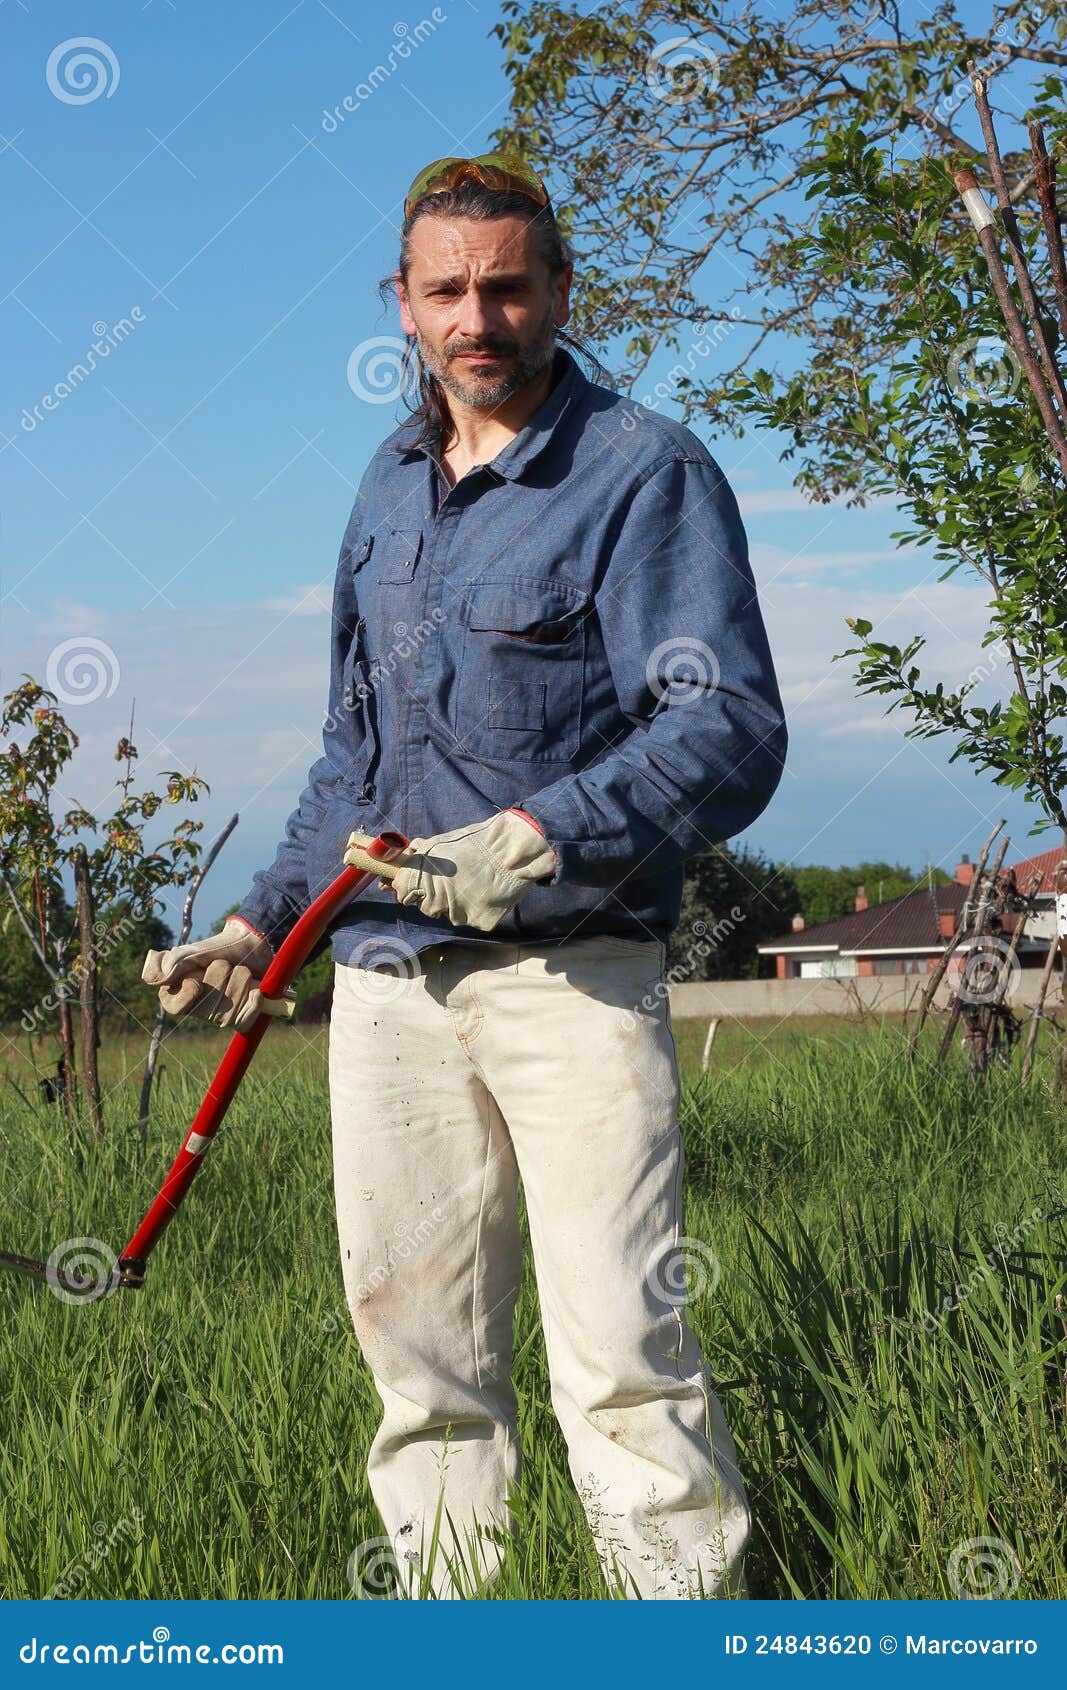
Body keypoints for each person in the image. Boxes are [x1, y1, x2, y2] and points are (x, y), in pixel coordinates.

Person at [142, 153, 787, 1599]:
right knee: (422, 1369)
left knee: (624, 1356)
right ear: (402, 302)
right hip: (381, 989)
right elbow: (350, 758)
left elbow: (729, 727)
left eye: (508, 285)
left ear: (561, 290)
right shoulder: (386, 489)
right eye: (447, 289)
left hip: (574, 974)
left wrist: (540, 834)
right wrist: (258, 922)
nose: (477, 316)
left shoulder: (645, 472)